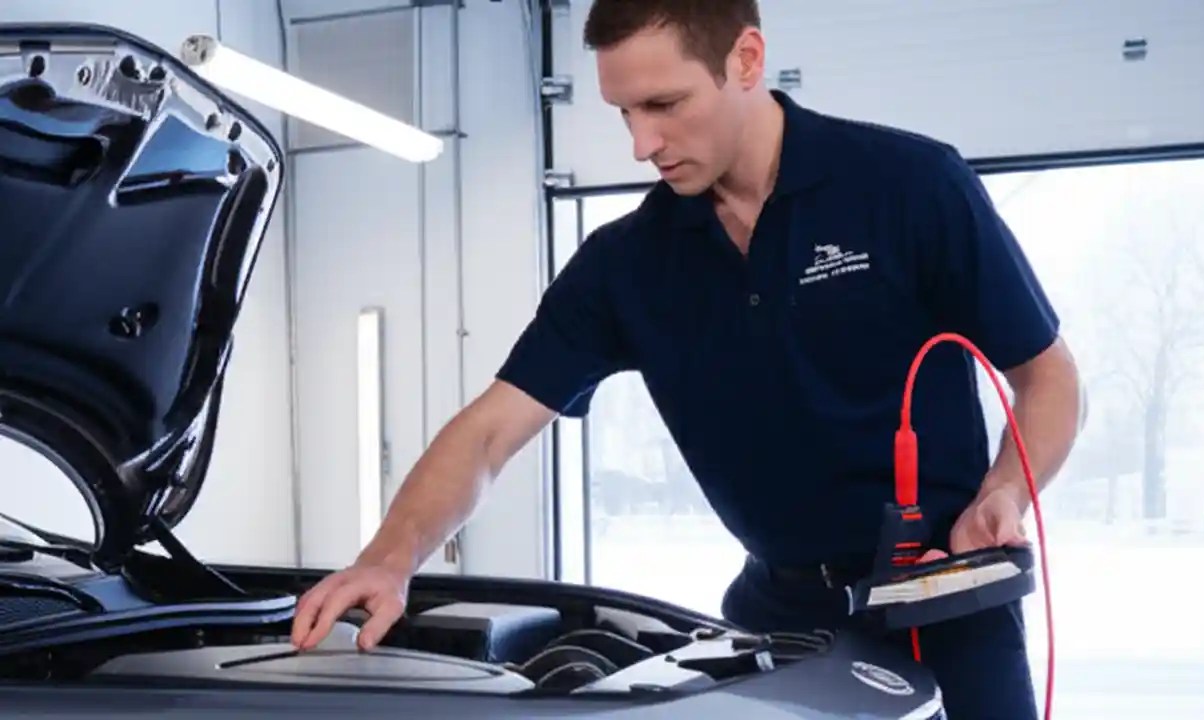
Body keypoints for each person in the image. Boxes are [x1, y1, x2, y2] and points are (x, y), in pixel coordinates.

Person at [290, 1, 1082, 717]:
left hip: (945, 602)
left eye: (665, 105)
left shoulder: (909, 187)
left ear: (745, 60)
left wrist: (1004, 491)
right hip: (779, 619)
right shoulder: (625, 264)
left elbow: (1047, 378)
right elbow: (491, 430)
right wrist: (389, 560)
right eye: (624, 112)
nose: (642, 145)